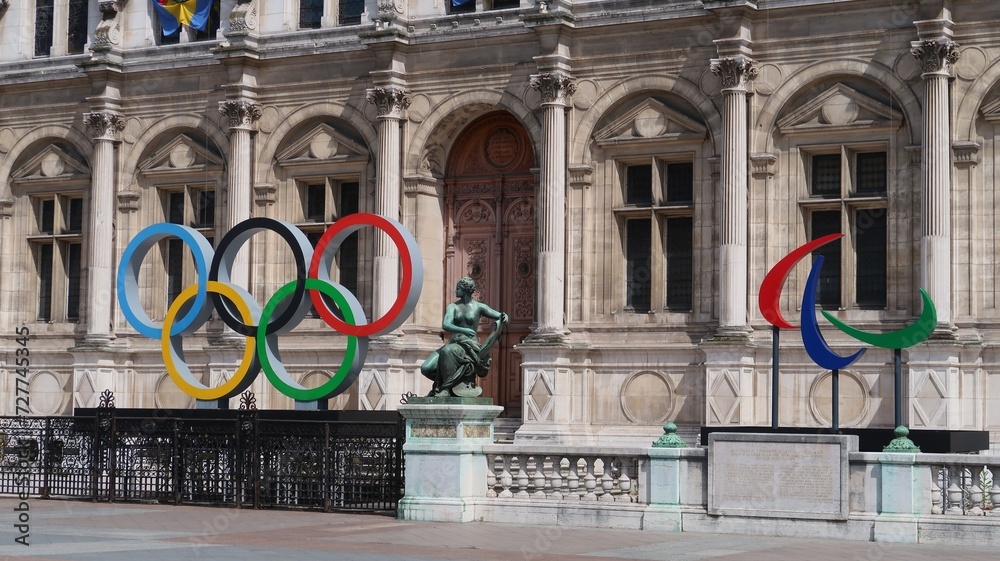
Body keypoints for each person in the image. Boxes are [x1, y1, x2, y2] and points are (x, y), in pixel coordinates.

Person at [420, 276, 508, 397]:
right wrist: (463, 330)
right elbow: (446, 324)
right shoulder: (453, 307)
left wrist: (504, 316)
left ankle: (446, 389)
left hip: (469, 345)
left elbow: (499, 315)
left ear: (466, 290)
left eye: (458, 288)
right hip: (454, 343)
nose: (455, 291)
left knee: (447, 351)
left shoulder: (478, 307)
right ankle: (443, 385)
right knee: (426, 368)